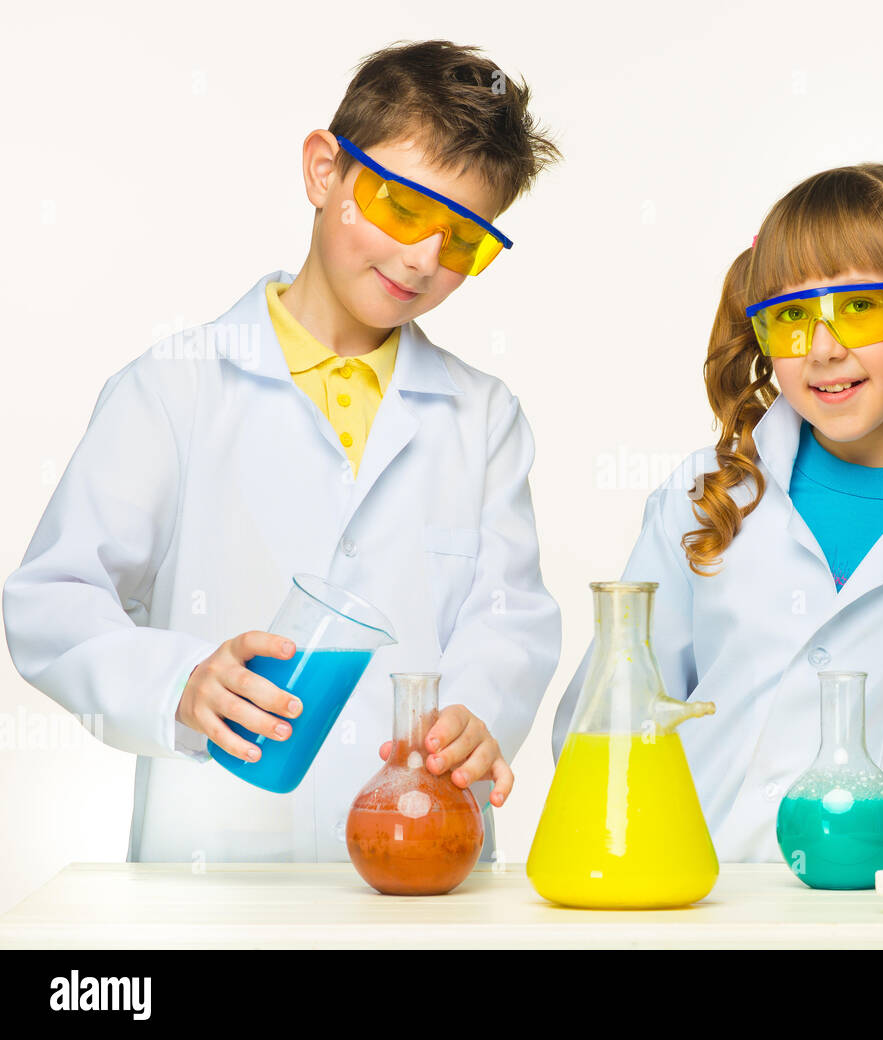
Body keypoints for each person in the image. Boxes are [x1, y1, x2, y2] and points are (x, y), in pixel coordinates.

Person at [3, 40, 562, 864]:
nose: (422, 258)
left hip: (422, 858)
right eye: (403, 209)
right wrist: (181, 680)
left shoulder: (483, 418)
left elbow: (509, 620)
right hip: (216, 861)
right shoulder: (174, 388)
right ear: (323, 171)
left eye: (465, 239)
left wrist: (479, 714)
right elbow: (53, 602)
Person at [551, 164, 883, 862]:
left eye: (861, 308)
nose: (823, 349)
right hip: (697, 900)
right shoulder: (710, 495)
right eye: (790, 318)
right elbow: (608, 709)